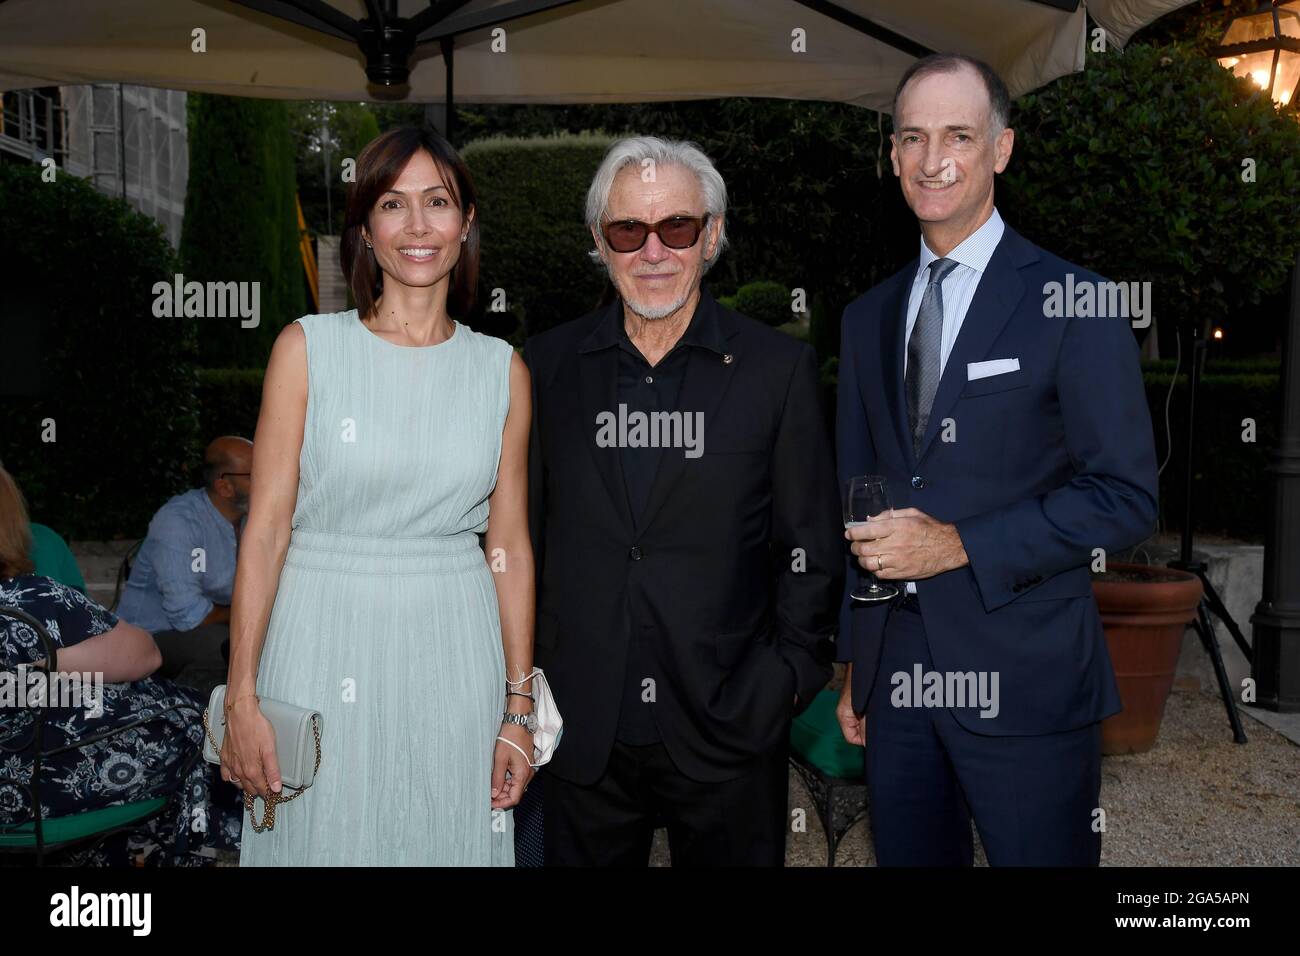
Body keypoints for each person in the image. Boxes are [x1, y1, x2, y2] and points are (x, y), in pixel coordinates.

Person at [835, 53, 1158, 866]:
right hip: (899, 682)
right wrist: (855, 663)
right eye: (911, 137)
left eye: (958, 135)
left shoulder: (1075, 302)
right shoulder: (865, 317)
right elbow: (857, 498)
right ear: (894, 156)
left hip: (1030, 676)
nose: (931, 158)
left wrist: (961, 542)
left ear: (1001, 150)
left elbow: (1124, 497)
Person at [221, 126, 535, 866]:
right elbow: (263, 533)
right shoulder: (306, 350)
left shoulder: (502, 371)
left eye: (439, 202)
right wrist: (240, 696)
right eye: (394, 204)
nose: (419, 226)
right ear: (365, 227)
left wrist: (519, 709)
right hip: (317, 643)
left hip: (456, 655)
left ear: (465, 224)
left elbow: (509, 544)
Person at [526, 136, 842, 866]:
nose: (654, 251)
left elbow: (811, 548)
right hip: (584, 735)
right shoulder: (543, 367)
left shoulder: (777, 369)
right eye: (628, 230)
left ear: (713, 235)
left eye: (677, 227)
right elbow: (523, 539)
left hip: (729, 727)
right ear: (599, 245)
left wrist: (784, 681)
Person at [0, 464, 242, 865]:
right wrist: (53, 662)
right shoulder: (34, 599)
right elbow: (146, 655)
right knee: (198, 732)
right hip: (45, 790)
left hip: (23, 784)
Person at [116, 437, 251, 694]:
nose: (270, 479)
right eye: (256, 474)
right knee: (224, 645)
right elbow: (189, 615)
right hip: (149, 636)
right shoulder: (178, 521)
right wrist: (245, 612)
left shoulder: (253, 519)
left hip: (209, 625)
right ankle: (188, 717)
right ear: (224, 487)